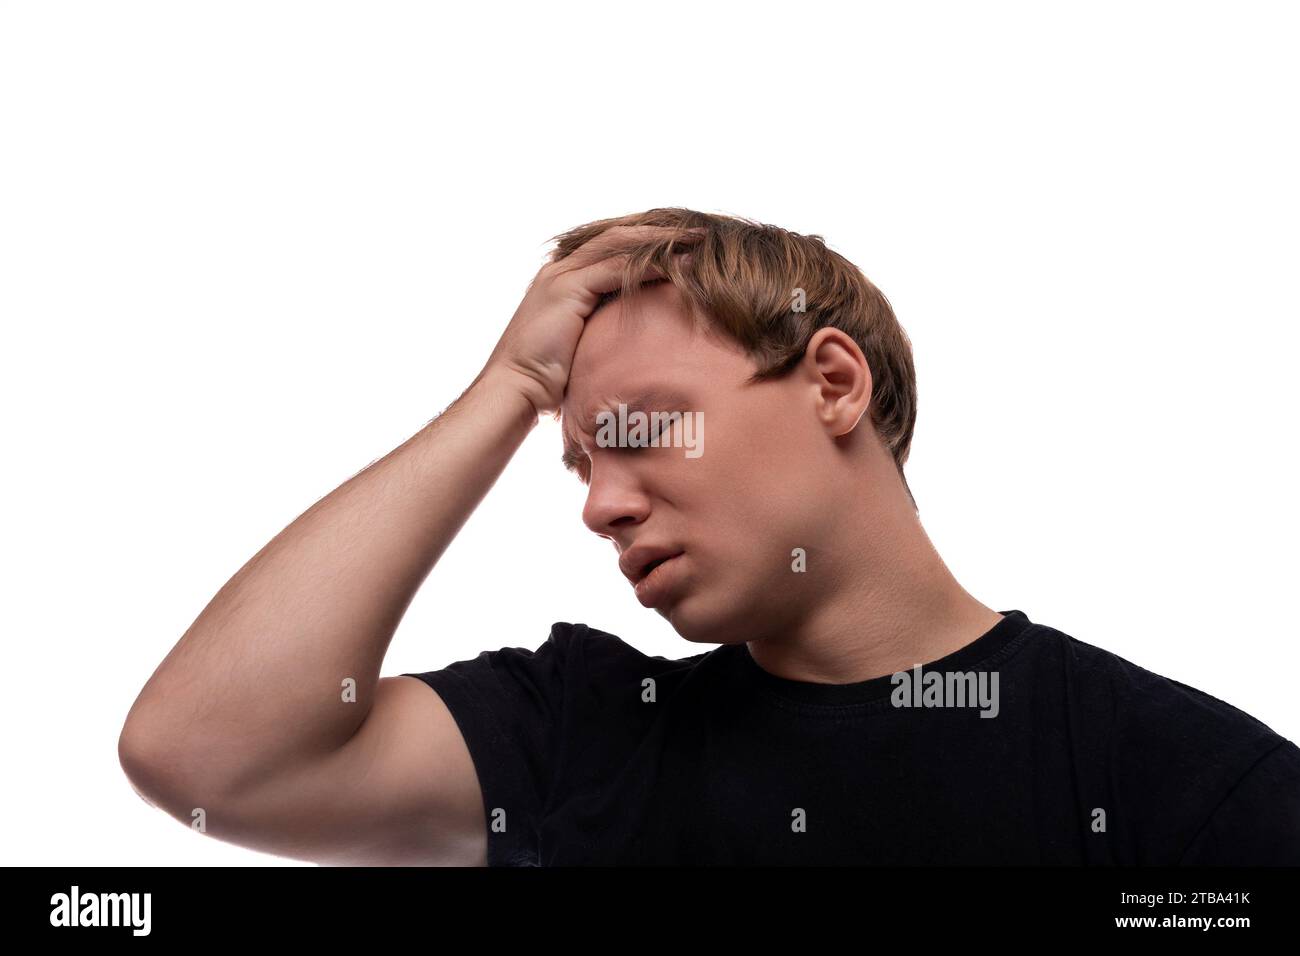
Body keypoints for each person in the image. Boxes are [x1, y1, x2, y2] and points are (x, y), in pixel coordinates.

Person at [118, 208, 1300, 866]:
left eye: (637, 428)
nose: (599, 502)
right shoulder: (579, 738)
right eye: (578, 459)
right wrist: (503, 391)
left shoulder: (1179, 783)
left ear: (831, 383)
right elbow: (206, 757)